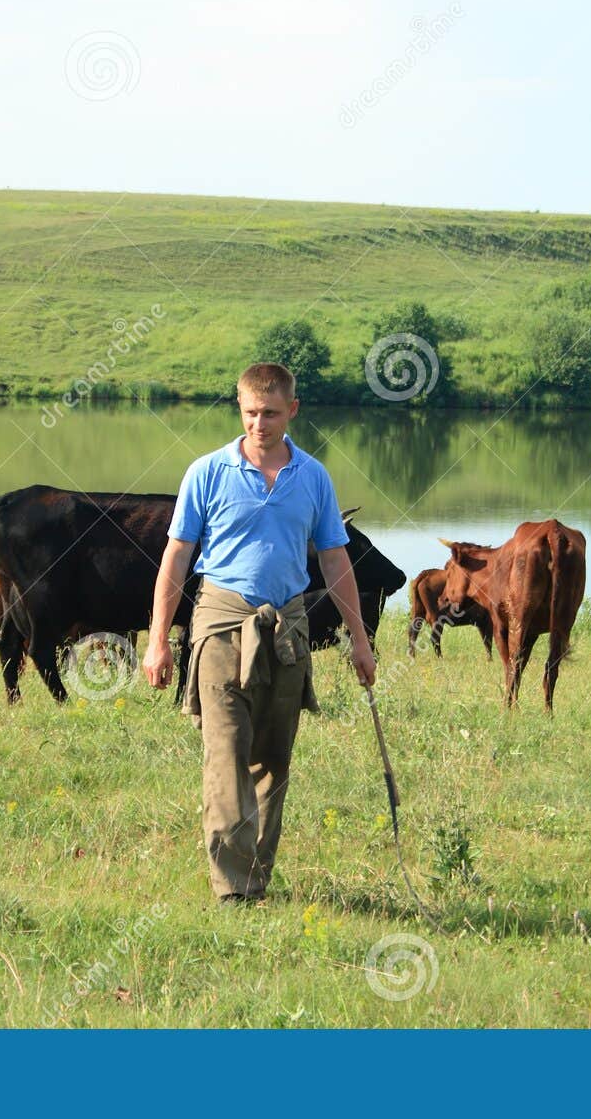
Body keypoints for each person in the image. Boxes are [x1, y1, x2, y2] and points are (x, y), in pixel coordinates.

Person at [143, 362, 377, 904]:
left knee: (273, 760)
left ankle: (256, 879)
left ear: (292, 410)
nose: (259, 424)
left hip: (287, 629)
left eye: (270, 413)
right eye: (250, 412)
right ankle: (232, 889)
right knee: (225, 751)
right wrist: (157, 641)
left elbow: (336, 560)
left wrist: (359, 641)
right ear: (239, 409)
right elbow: (176, 559)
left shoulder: (313, 477)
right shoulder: (207, 472)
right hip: (222, 625)